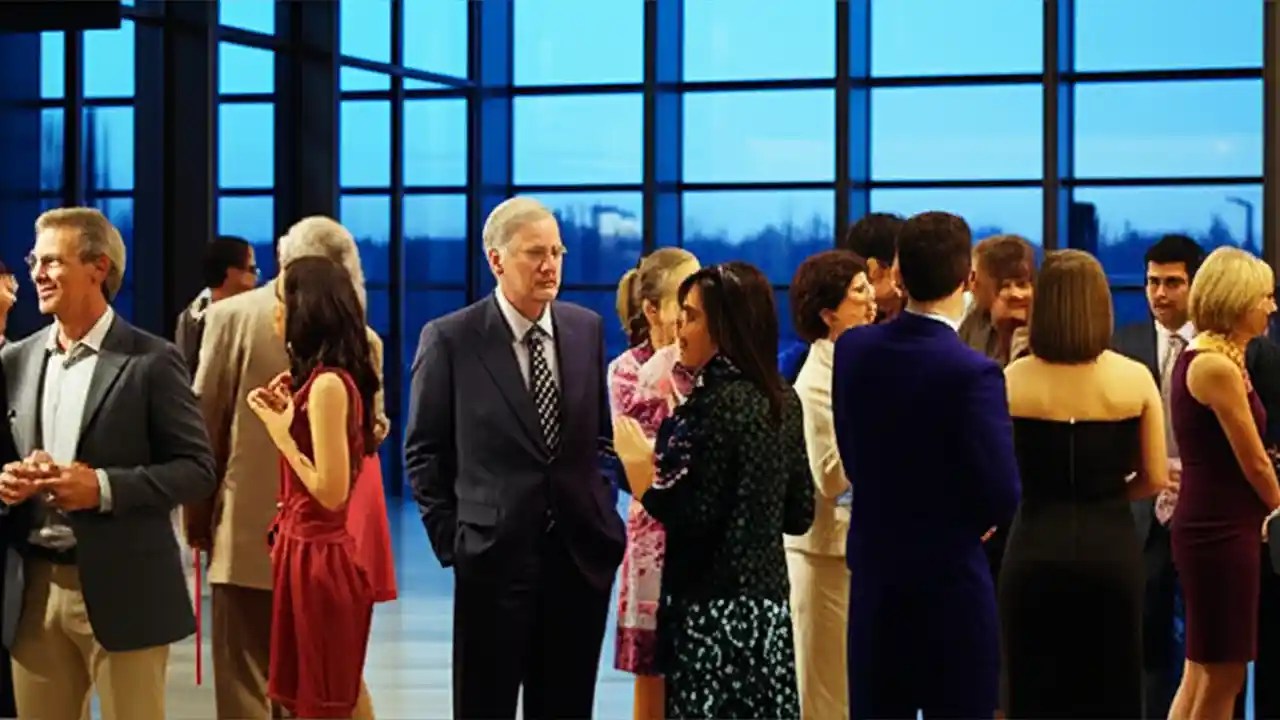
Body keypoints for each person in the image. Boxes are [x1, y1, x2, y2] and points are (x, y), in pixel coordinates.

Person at [404, 196, 625, 719]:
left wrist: (600, 504)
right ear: (496, 259)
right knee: (486, 706)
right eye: (534, 253)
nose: (550, 265)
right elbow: (424, 451)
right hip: (492, 560)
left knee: (567, 706)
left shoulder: (583, 328)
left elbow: (600, 438)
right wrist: (456, 542)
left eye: (557, 251)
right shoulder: (452, 339)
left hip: (577, 558)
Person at [0, 207, 216, 719]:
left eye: (52, 262)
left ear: (98, 268)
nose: (36, 274)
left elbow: (197, 468)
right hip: (32, 592)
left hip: (127, 592)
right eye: (36, 260)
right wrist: (7, 480)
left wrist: (102, 487)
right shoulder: (17, 361)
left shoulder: (152, 361)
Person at [191, 216, 389, 719]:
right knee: (321, 681)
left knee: (249, 684)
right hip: (331, 545)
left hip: (254, 534)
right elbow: (372, 436)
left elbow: (204, 423)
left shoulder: (230, 316)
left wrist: (198, 520)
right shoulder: (361, 340)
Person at [833, 211, 1020, 719]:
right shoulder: (974, 372)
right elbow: (1003, 491)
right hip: (950, 586)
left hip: (876, 578)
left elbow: (850, 447)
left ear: (896, 276)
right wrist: (969, 524)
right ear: (969, 280)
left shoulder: (853, 349)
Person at [614, 261, 814, 718]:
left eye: (692, 315)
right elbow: (799, 514)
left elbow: (693, 515)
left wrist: (641, 474)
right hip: (769, 613)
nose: (679, 328)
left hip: (710, 615)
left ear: (725, 326)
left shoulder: (708, 408)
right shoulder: (783, 399)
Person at [1001, 250, 1169, 717]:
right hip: (1111, 551)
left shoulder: (1012, 380)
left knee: (1033, 693)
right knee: (1111, 691)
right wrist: (1111, 493)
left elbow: (999, 472)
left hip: (1032, 547)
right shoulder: (1134, 379)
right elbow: (1155, 476)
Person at [247, 256, 383, 719]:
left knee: (327, 697)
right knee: (335, 691)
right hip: (303, 553)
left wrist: (280, 431)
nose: (274, 312)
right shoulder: (321, 381)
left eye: (281, 300)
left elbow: (330, 492)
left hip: (320, 561)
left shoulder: (328, 385)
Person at [1168, 247, 1280, 720]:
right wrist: (1278, 503)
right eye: (1265, 297)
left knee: (1201, 669)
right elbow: (1253, 460)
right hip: (1220, 531)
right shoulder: (1215, 366)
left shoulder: (1214, 356)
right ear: (1237, 301)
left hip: (1216, 525)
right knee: (1224, 674)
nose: (1271, 307)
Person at [1111, 233, 1204, 718]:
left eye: (1172, 282)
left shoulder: (1219, 348)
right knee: (1146, 637)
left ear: (1195, 285)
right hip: (1143, 512)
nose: (1159, 293)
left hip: (1204, 509)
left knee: (1208, 641)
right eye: (1151, 282)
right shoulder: (1121, 343)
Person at [607, 247, 700, 720]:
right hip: (655, 536)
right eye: (682, 304)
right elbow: (648, 456)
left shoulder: (711, 365)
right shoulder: (627, 370)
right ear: (652, 309)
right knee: (655, 671)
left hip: (708, 533)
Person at [785, 249, 875, 720]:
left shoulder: (859, 365)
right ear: (828, 313)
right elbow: (829, 477)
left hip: (859, 552)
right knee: (825, 698)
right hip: (822, 555)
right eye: (859, 291)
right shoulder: (816, 381)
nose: (872, 299)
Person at [175, 235, 259, 377]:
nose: (256, 279)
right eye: (252, 269)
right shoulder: (190, 321)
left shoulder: (191, 317)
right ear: (231, 273)